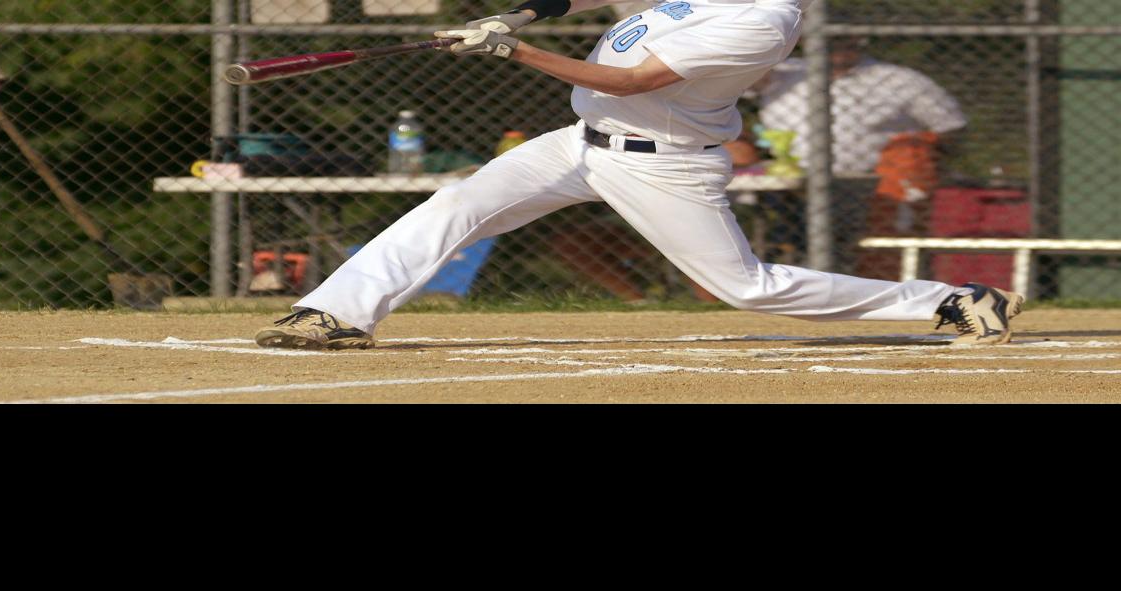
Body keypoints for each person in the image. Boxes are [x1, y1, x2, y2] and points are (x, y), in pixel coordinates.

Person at [254, 0, 1023, 350]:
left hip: (665, 165)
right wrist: (526, 13)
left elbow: (630, 82)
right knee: (456, 204)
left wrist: (506, 51)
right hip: (579, 142)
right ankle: (337, 313)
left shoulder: (761, 19)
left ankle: (954, 299)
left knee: (748, 287)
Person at [755, 36, 968, 278]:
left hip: (871, 185)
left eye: (845, 41)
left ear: (861, 41)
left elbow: (951, 126)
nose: (837, 50)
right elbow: (729, 83)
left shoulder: (897, 79)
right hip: (789, 185)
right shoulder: (783, 73)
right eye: (828, 41)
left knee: (869, 239)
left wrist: (922, 163)